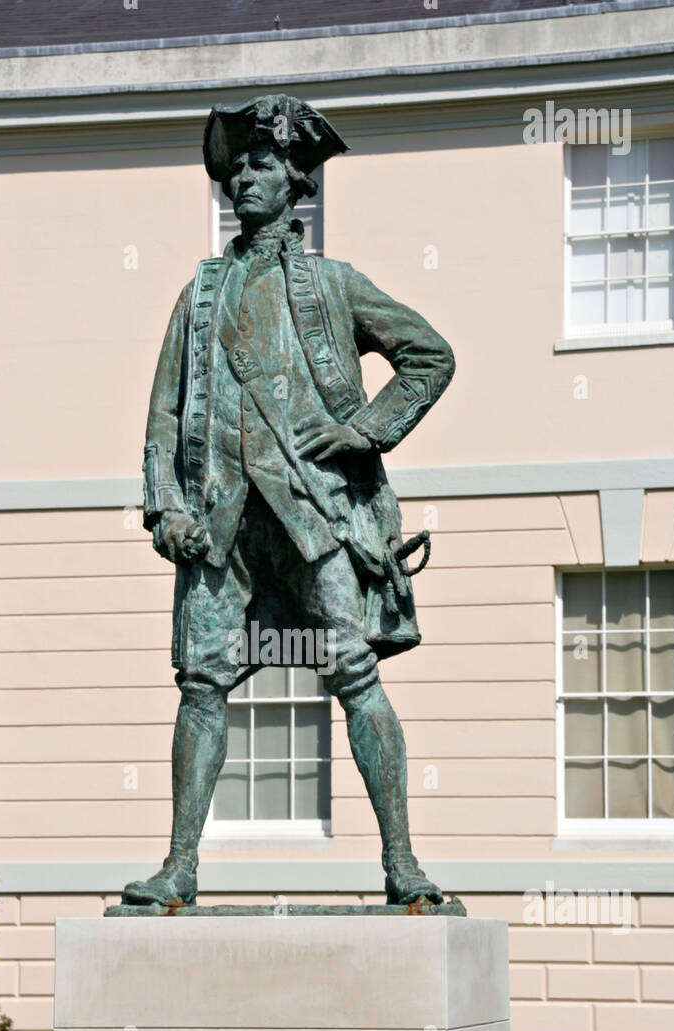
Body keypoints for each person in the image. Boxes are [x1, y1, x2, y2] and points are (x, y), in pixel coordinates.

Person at [122, 94, 455, 908]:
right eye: (236, 169)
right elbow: (163, 414)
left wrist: (365, 431)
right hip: (220, 520)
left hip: (315, 513)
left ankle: (402, 864)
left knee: (354, 675)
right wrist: (167, 507)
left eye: (262, 165)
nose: (243, 179)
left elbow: (429, 356)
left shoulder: (335, 285)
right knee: (202, 685)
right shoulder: (199, 294)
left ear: (295, 181)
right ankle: (179, 868)